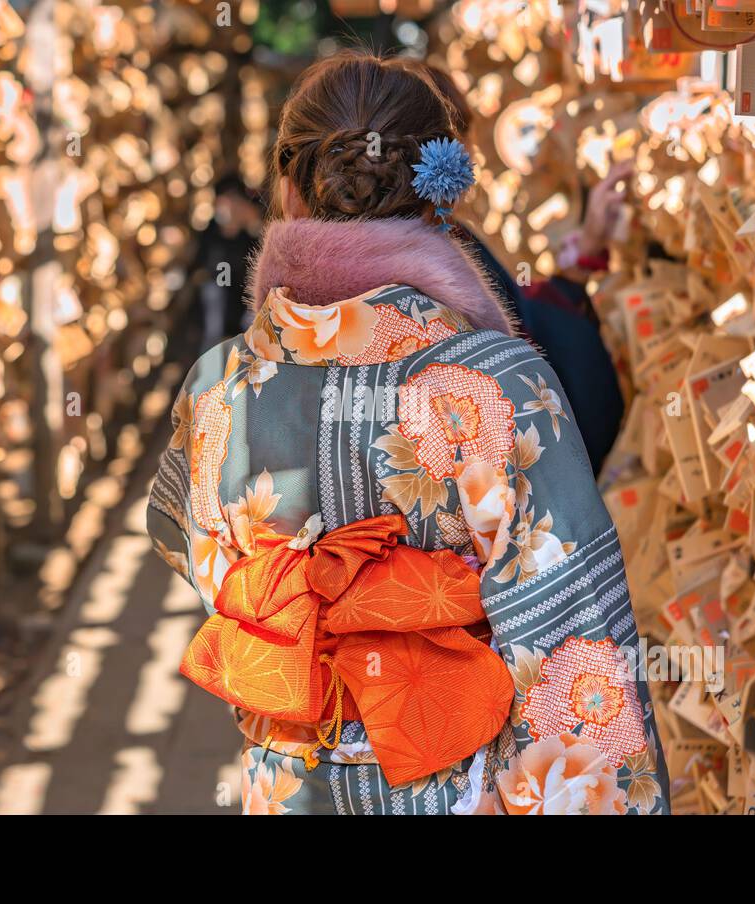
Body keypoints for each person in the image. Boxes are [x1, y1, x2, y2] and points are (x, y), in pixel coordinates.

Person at [148, 51, 668, 815]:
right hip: (452, 781)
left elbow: (182, 538)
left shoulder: (218, 385)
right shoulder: (493, 384)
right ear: (439, 202)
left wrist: (312, 608)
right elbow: (571, 646)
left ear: (288, 187)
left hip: (288, 781)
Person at [392, 58, 627, 473]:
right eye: (462, 140)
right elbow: (529, 347)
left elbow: (521, 313)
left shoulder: (436, 242)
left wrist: (584, 254)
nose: (473, 155)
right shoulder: (435, 261)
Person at [191, 176, 263, 351]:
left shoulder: (252, 230)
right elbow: (214, 272)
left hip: (249, 300)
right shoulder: (211, 233)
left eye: (235, 200)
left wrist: (252, 223)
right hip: (220, 300)